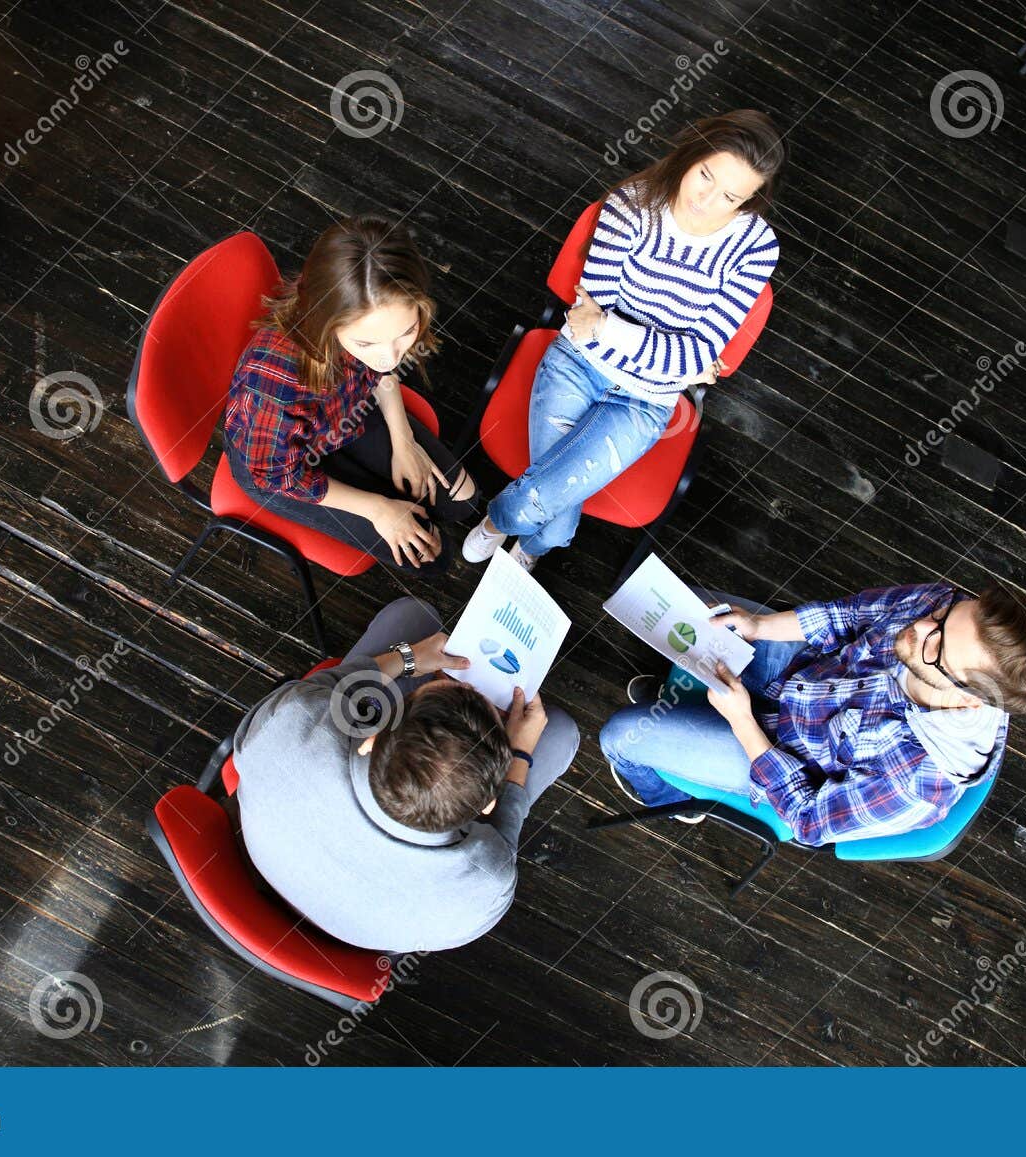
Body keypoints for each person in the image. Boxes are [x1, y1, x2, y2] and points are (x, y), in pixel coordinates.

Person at [463, 109, 784, 572]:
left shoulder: (755, 247)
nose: (706, 199)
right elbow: (617, 333)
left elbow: (615, 326)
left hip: (643, 402)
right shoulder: (632, 204)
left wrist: (614, 329)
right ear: (689, 156)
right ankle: (525, 544)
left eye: (730, 196)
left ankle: (500, 523)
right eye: (705, 175)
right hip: (577, 362)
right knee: (557, 528)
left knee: (540, 513)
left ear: (750, 201)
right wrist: (679, 361)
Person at [599, 582, 1026, 845]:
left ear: (970, 699)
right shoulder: (941, 611)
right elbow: (846, 615)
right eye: (947, 613)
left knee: (619, 737)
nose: (919, 624)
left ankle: (666, 798)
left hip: (780, 761)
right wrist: (760, 625)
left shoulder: (918, 784)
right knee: (698, 607)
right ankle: (690, 705)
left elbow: (807, 819)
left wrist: (742, 721)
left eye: (937, 642)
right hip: (803, 678)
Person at [233, 597, 580, 953]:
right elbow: (504, 838)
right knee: (563, 732)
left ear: (371, 739)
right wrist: (519, 755)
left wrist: (408, 658)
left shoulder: (295, 720)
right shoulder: (487, 885)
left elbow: (332, 686)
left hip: (267, 857)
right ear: (488, 804)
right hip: (358, 931)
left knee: (413, 615)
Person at [223, 216, 478, 571]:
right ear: (326, 318)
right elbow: (278, 476)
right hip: (283, 466)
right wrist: (378, 509)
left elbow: (379, 374)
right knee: (432, 555)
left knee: (464, 501)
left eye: (404, 333)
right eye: (366, 343)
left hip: (345, 415)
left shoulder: (362, 308)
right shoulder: (275, 388)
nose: (390, 357)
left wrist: (403, 440)